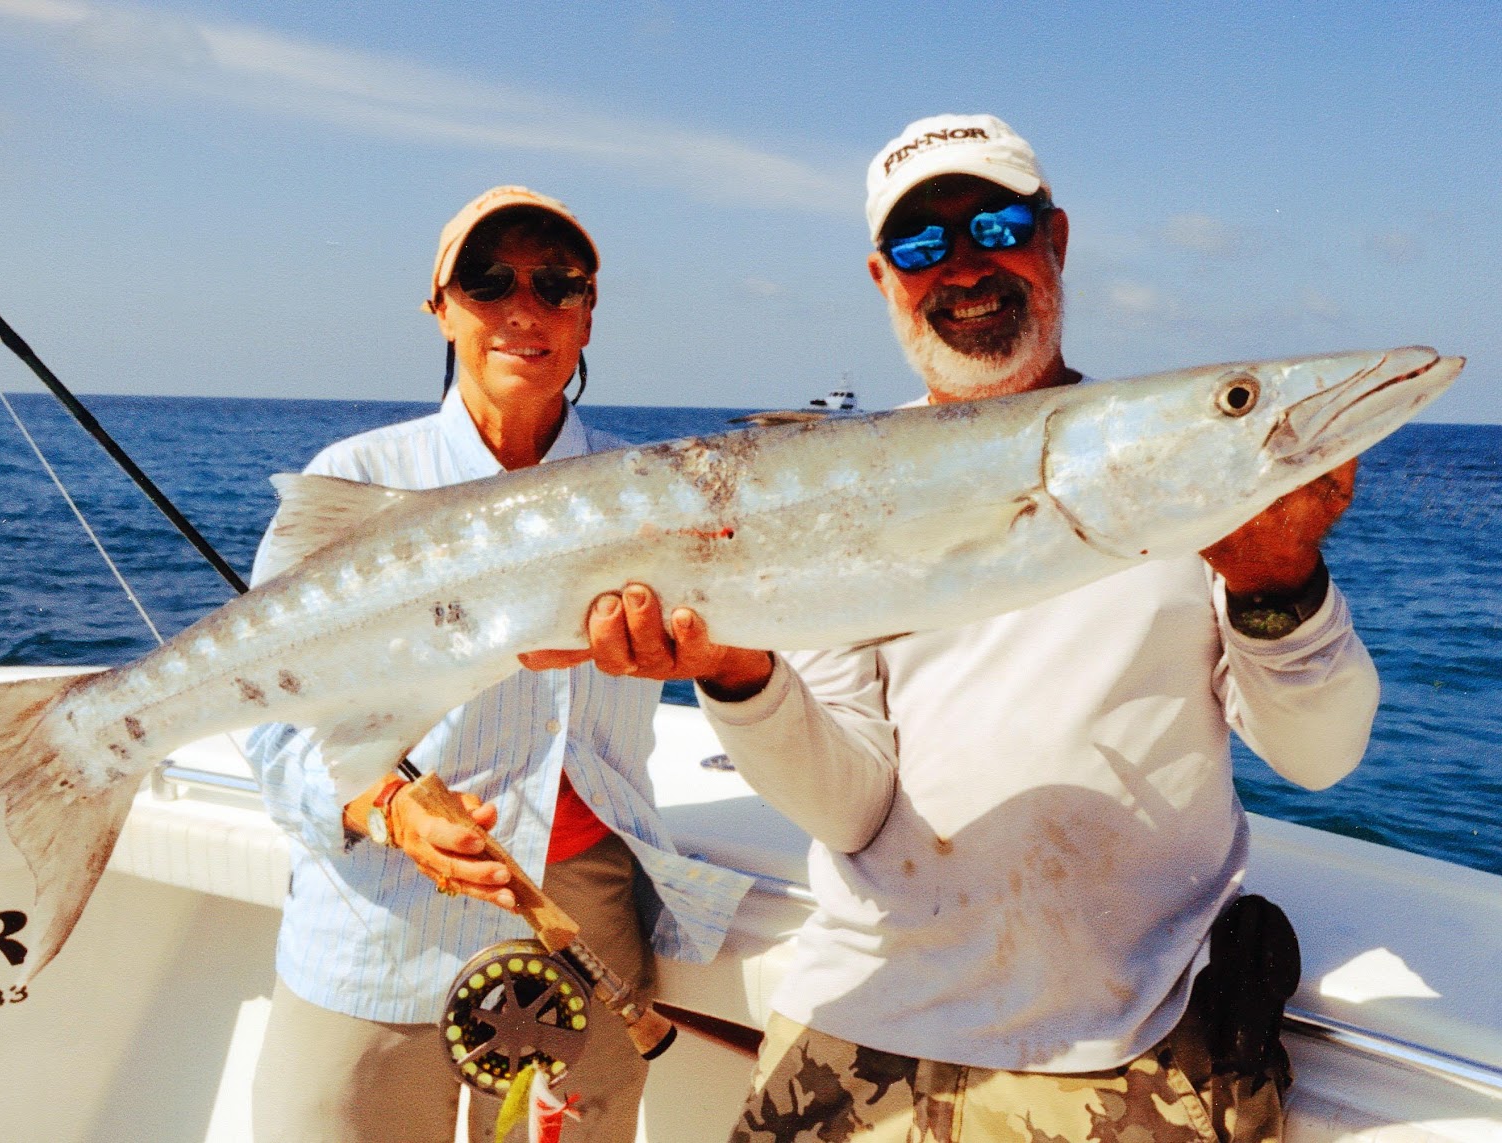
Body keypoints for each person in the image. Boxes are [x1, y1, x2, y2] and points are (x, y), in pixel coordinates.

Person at [531, 116, 1380, 1141]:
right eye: (921, 247)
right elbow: (850, 810)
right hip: (864, 1015)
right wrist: (742, 677)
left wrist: (1276, 582)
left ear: (1054, 238)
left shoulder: (1186, 482)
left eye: (993, 225)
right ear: (884, 279)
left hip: (1121, 1040)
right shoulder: (831, 494)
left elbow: (1320, 755)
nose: (963, 268)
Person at [244, 185, 750, 1143]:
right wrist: (384, 808)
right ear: (440, 305)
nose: (525, 308)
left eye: (558, 284)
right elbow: (271, 730)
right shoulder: (351, 482)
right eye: (488, 280)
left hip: (588, 937)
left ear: (588, 313)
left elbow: (744, 656)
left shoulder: (660, 495)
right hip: (374, 935)